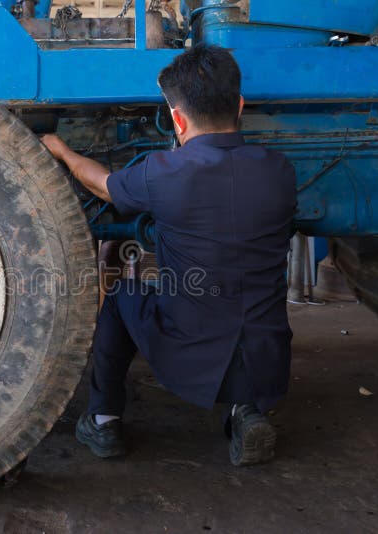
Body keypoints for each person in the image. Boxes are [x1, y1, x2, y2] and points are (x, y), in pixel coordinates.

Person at [41, 45, 297, 466]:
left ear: (176, 118)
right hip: (268, 361)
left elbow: (103, 185)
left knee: (124, 295)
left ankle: (103, 419)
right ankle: (246, 411)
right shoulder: (281, 171)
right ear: (240, 105)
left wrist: (62, 151)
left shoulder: (164, 172)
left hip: (187, 361)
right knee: (246, 303)